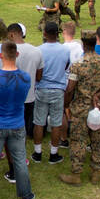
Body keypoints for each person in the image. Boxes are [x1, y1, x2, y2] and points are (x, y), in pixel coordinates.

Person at [59, 33, 100, 185]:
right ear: (95, 42)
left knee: (78, 141)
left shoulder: (78, 65)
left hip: (81, 108)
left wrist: (66, 105)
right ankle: (96, 172)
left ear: (83, 44)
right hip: (99, 108)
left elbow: (70, 89)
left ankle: (76, 174)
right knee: (97, 140)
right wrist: (99, 95)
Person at [0, 41, 34, 199]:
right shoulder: (25, 78)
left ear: (1, 56)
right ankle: (25, 194)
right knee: (20, 160)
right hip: (17, 124)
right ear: (17, 55)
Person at [33, 22, 70, 164]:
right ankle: (53, 154)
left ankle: (38, 152)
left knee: (39, 121)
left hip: (42, 87)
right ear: (57, 34)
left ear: (44, 34)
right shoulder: (65, 50)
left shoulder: (39, 50)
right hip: (58, 89)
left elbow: (38, 70)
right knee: (56, 123)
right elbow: (66, 66)